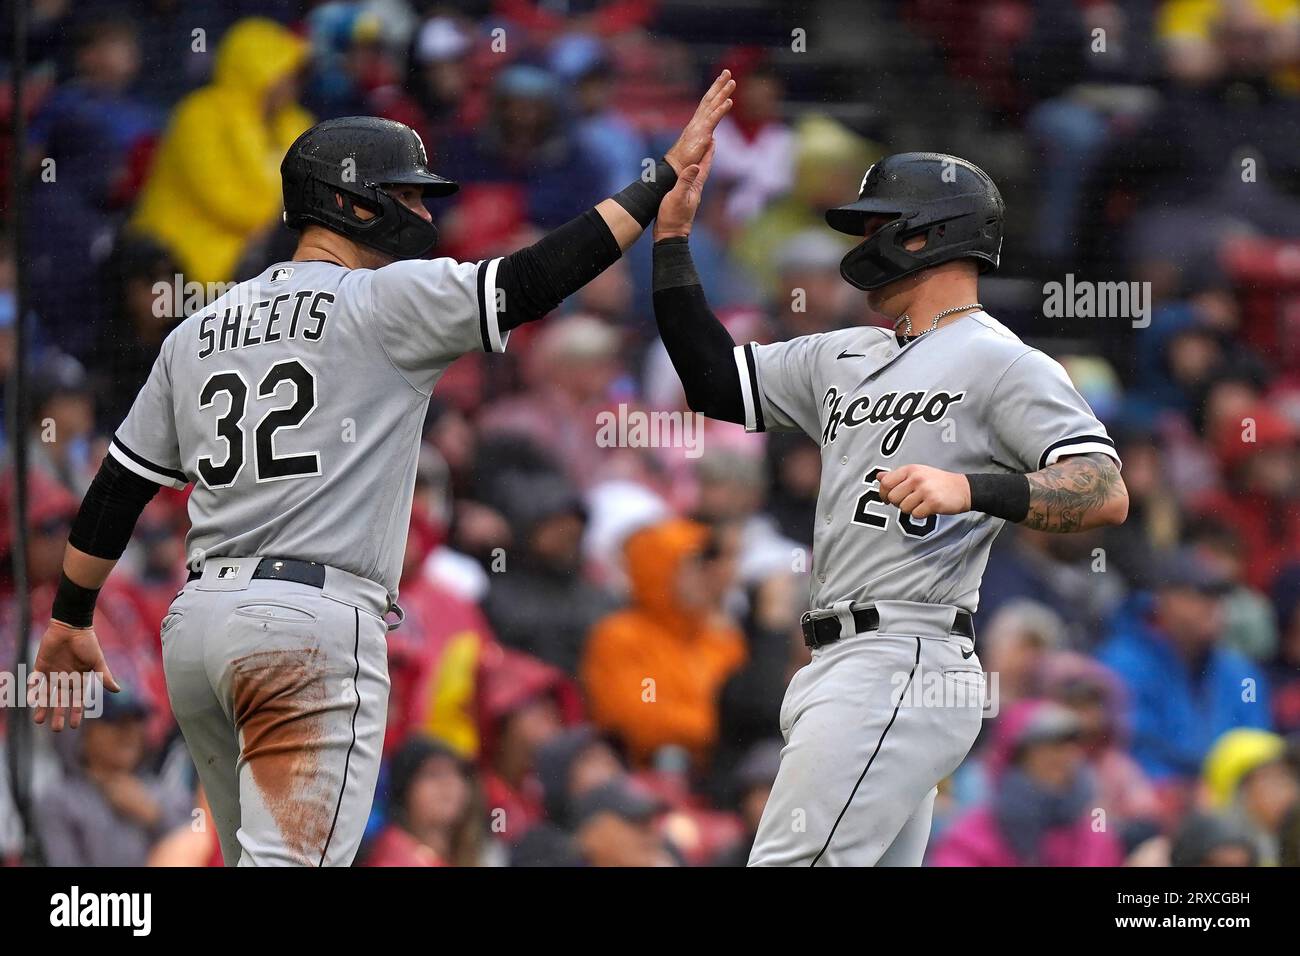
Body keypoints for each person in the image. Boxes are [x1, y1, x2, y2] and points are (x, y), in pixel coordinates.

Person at [28, 73, 737, 867]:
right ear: (354, 202)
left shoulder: (202, 327)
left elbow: (119, 483)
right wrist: (658, 179)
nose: (426, 213)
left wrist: (70, 617)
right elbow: (534, 280)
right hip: (306, 626)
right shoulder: (383, 302)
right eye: (409, 193)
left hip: (199, 628)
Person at [649, 150, 1128, 866]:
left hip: (905, 653)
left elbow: (1103, 490)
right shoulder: (845, 354)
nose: (861, 240)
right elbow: (714, 380)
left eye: (876, 222)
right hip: (842, 661)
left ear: (926, 232)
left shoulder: (1004, 360)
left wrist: (971, 489)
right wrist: (672, 243)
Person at [1097, 549, 1272, 784]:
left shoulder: (1240, 672)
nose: (1214, 606)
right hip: (1152, 800)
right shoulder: (1121, 664)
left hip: (1234, 802)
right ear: (1165, 598)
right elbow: (1132, 751)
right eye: (1202, 594)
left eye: (1219, 596)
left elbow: (1258, 751)